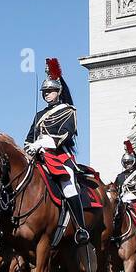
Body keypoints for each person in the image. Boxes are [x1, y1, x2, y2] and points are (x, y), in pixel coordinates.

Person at [23, 58, 87, 244]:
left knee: (68, 184)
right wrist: (30, 146)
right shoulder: (39, 115)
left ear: (59, 91)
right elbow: (29, 136)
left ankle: (81, 228)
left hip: (59, 156)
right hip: (38, 155)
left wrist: (43, 142)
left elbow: (66, 134)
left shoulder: (68, 110)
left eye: (50, 91)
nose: (47, 94)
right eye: (44, 92)